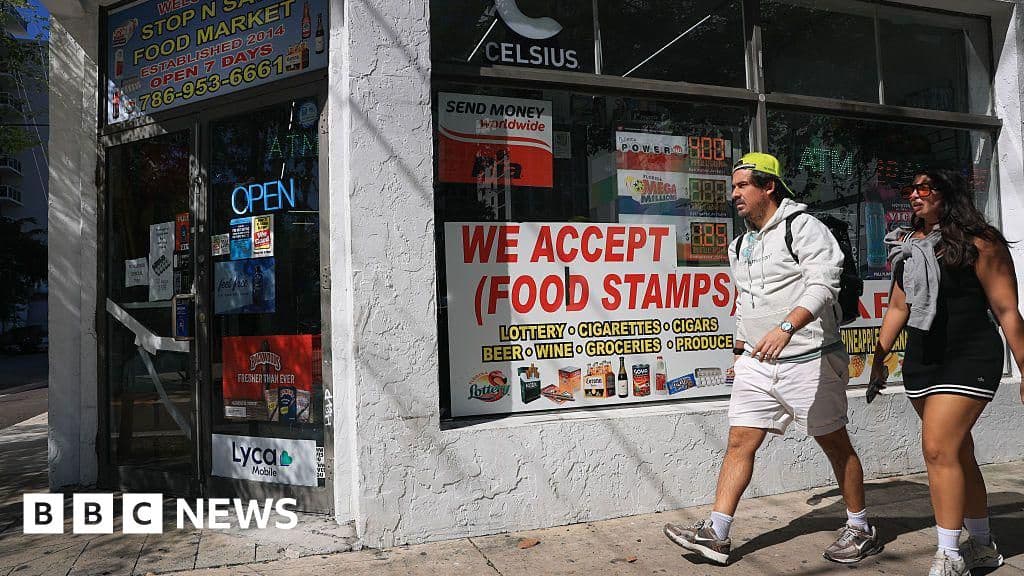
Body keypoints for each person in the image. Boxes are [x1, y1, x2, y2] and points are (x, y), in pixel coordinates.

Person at [663, 152, 880, 565]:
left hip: (809, 357)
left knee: (833, 443)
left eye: (742, 185)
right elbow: (746, 301)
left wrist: (786, 328)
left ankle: (860, 526)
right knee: (739, 441)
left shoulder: (804, 228)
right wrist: (741, 346)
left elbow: (823, 285)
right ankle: (717, 533)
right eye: (732, 187)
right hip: (757, 363)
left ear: (769, 187)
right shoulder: (740, 244)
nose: (734, 194)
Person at [867, 169, 1024, 576]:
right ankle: (984, 544)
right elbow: (898, 307)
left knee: (937, 449)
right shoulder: (910, 245)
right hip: (924, 360)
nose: (914, 196)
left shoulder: (982, 242)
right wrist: (878, 356)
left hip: (970, 357)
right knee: (958, 453)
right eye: (910, 189)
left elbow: (1006, 309)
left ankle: (949, 554)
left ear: (947, 194)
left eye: (924, 188)